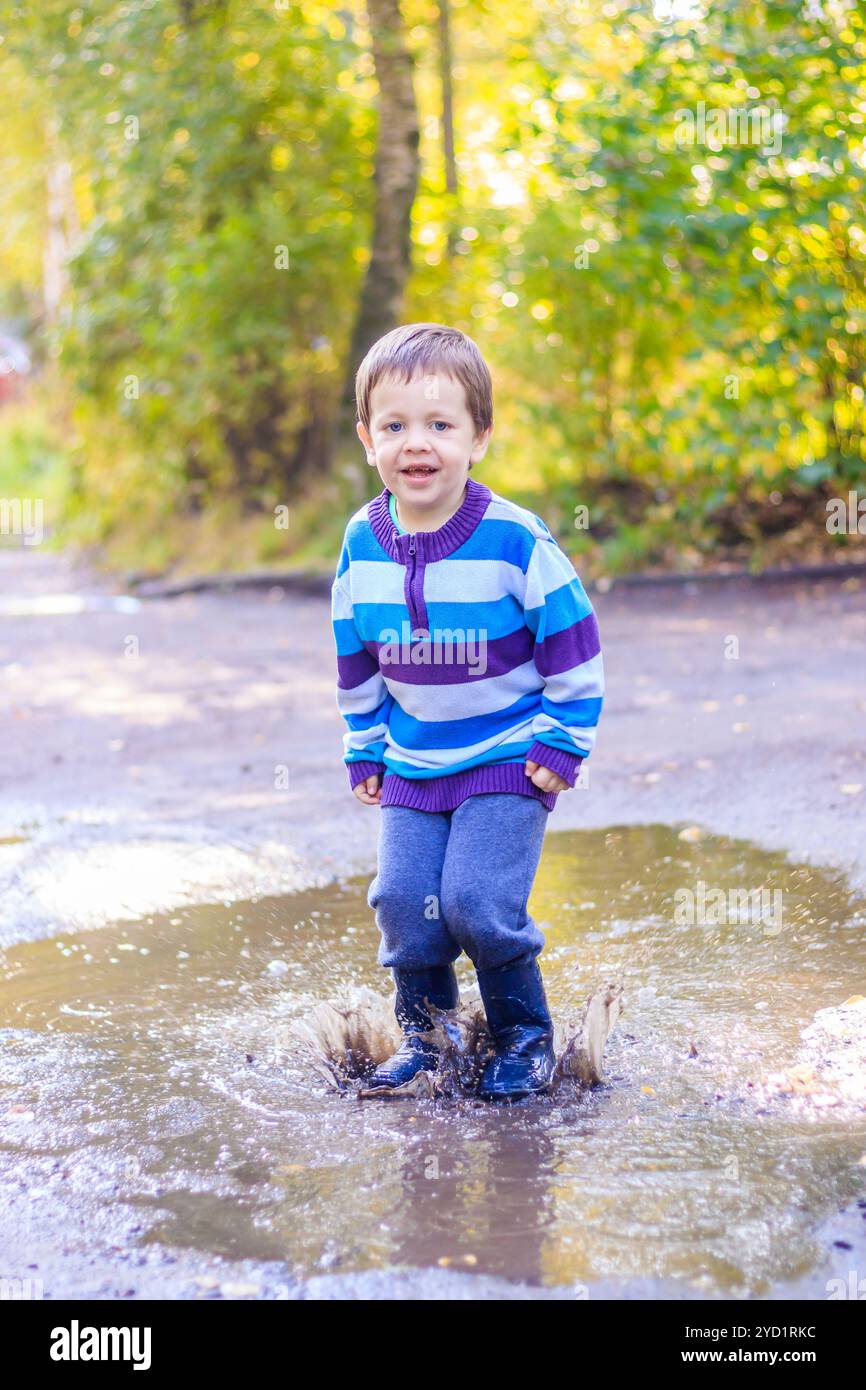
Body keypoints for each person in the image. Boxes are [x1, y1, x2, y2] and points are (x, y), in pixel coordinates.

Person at [330, 323, 604, 1100]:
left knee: (476, 903)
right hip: (415, 760)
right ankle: (431, 1036)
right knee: (404, 906)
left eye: (440, 424)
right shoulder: (362, 540)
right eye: (395, 425)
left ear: (478, 436)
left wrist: (562, 742)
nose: (417, 443)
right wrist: (366, 745)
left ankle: (525, 1036)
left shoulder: (514, 540)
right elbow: (354, 652)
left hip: (510, 757)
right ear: (367, 438)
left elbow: (574, 647)